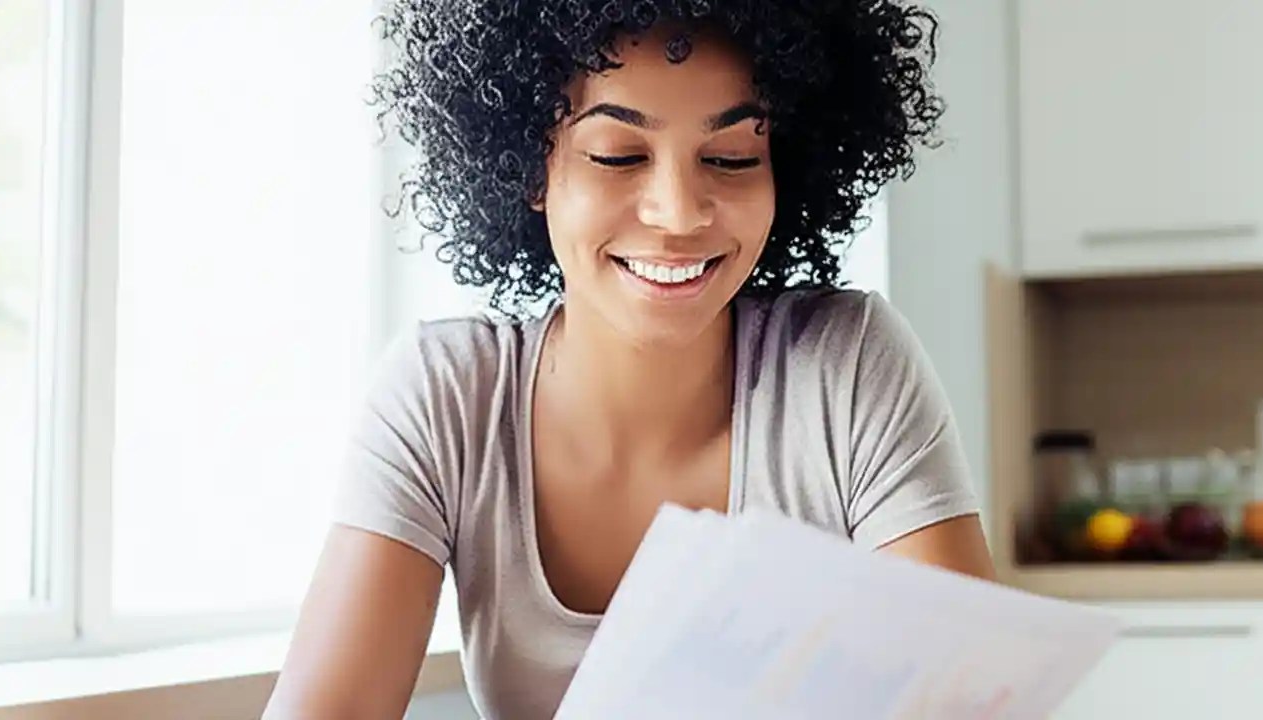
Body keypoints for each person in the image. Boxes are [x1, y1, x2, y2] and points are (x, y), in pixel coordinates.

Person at [265, 1, 995, 718]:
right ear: (529, 167)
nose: (679, 213)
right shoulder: (448, 396)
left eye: (731, 157)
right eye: (618, 156)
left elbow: (969, 702)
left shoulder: (848, 369)